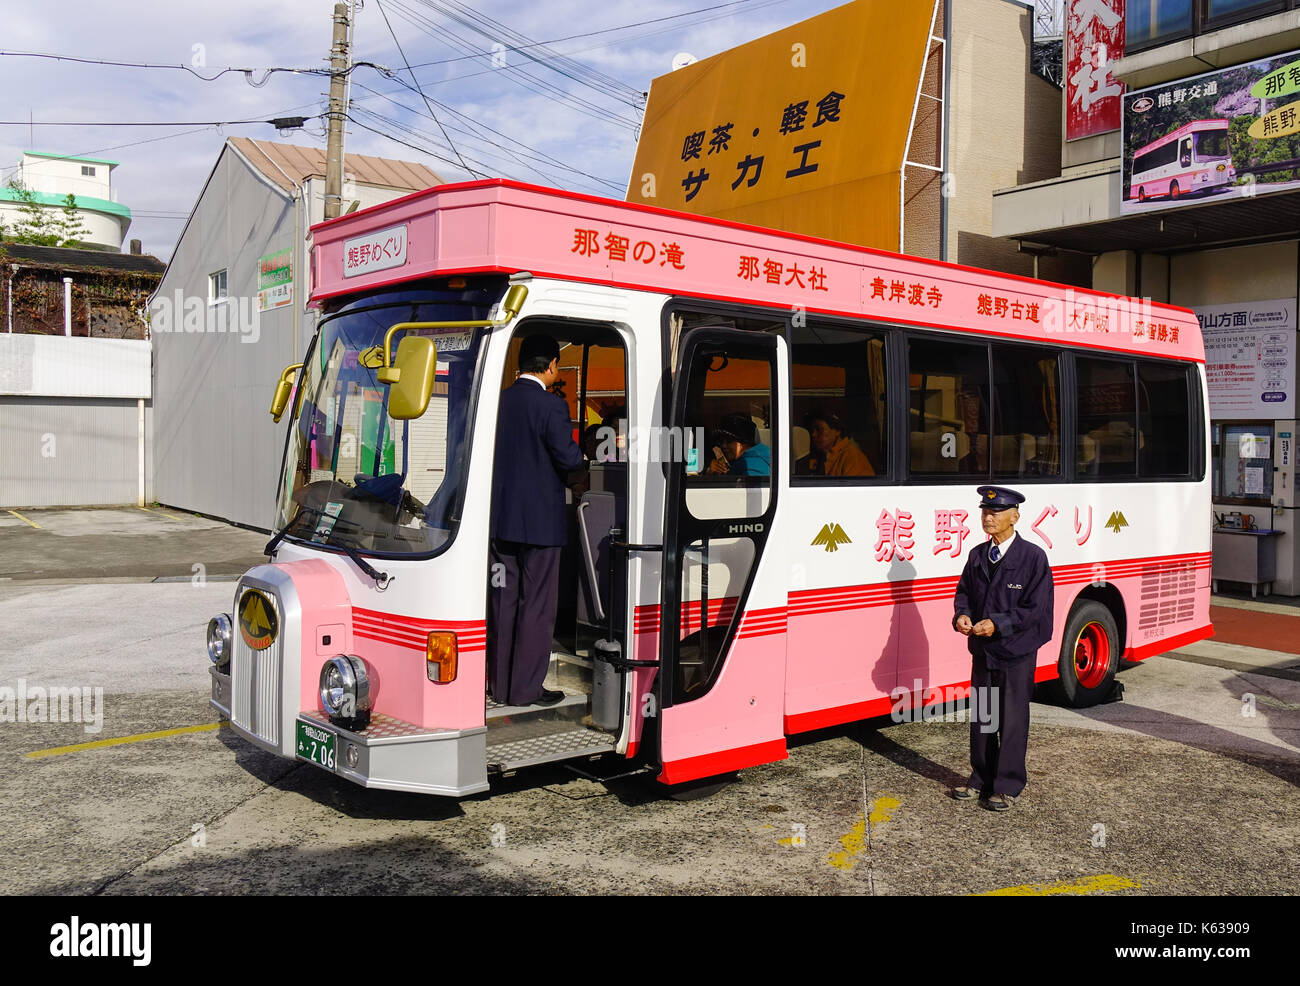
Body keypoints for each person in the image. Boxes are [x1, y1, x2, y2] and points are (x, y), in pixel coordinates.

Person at [487, 334, 585, 707]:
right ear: (550, 367)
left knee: (503, 601)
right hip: (541, 526)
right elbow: (570, 460)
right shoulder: (551, 406)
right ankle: (525, 690)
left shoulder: (498, 403)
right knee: (537, 605)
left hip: (500, 523)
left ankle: (500, 685)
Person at [950, 485, 1054, 811]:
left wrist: (998, 624)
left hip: (1016, 652)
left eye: (995, 512)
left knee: (1010, 719)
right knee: (983, 716)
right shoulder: (978, 555)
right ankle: (980, 777)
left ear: (1015, 517)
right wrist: (962, 615)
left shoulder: (1033, 558)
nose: (988, 517)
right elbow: (964, 592)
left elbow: (1035, 609)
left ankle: (1007, 785)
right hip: (983, 650)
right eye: (985, 511)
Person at [803, 409, 874, 477]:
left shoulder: (853, 458)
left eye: (819, 429)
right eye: (812, 430)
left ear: (837, 431)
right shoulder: (816, 454)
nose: (813, 434)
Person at [706, 412, 771, 476]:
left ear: (744, 442)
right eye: (721, 441)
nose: (723, 446)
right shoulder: (764, 456)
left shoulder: (748, 465)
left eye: (729, 441)